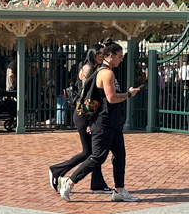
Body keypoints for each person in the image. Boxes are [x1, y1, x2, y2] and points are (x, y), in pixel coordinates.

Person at [58, 41, 142, 202]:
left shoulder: (102, 71)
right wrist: (129, 94)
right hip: (104, 122)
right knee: (97, 157)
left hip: (112, 121)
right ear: (111, 56)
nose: (121, 59)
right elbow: (112, 98)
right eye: (119, 56)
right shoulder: (106, 74)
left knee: (120, 155)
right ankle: (68, 183)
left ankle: (119, 190)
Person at [48, 46, 112, 195]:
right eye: (99, 53)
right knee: (89, 152)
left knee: (94, 152)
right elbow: (86, 97)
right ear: (92, 54)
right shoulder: (88, 69)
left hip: (85, 113)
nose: (102, 56)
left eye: (103, 54)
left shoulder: (94, 68)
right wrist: (91, 120)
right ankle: (57, 170)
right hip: (84, 113)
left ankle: (98, 184)